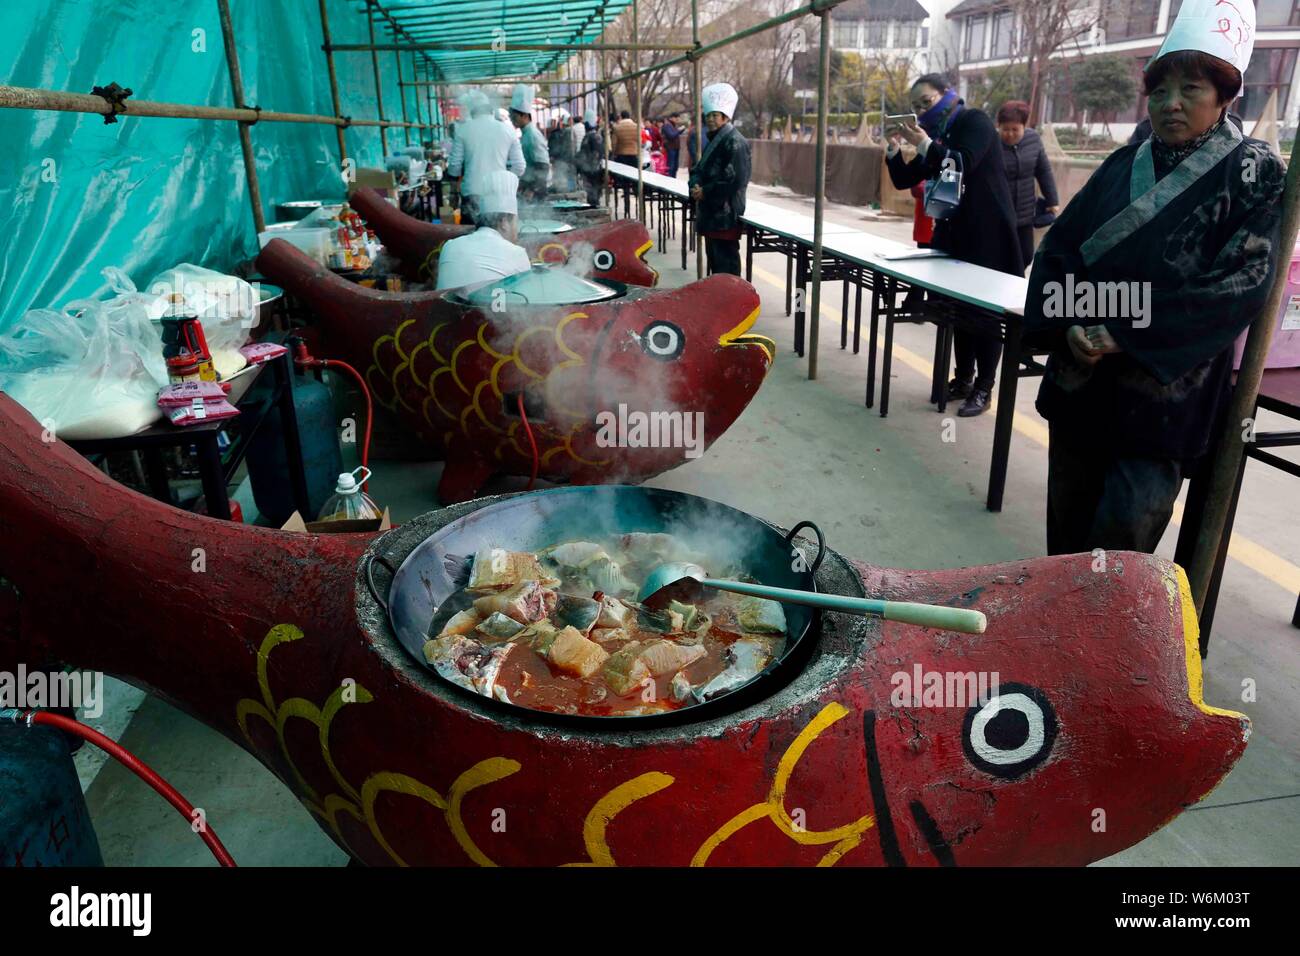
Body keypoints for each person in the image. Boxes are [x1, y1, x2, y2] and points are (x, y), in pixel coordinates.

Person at [1024, 0, 1283, 556]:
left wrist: (1127, 331)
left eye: (1190, 90)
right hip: (1083, 386)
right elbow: (1058, 254)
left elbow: (1244, 281)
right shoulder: (1123, 165)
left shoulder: (1254, 173)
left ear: (1226, 95)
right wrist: (1069, 322)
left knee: (1122, 546)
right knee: (1065, 541)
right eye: (1160, 91)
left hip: (1163, 400)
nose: (1171, 105)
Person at [886, 73, 1023, 417]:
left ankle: (984, 387)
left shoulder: (973, 122)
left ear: (947, 95)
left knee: (987, 315)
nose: (920, 109)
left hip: (988, 236)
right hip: (954, 235)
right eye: (915, 105)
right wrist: (892, 153)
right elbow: (907, 179)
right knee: (959, 311)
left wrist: (925, 145)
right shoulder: (938, 135)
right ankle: (963, 379)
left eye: (926, 101)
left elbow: (960, 163)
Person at [688, 83, 751, 277]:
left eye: (715, 115)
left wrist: (705, 191)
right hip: (713, 214)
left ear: (725, 117)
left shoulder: (735, 142)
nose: (711, 120)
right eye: (708, 116)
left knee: (726, 263)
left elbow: (735, 180)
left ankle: (731, 303)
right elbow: (698, 169)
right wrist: (695, 185)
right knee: (716, 261)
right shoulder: (715, 140)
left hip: (726, 214)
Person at [435, 170, 532, 290]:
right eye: (516, 222)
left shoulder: (449, 246)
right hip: (491, 309)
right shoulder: (517, 254)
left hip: (443, 309)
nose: (517, 229)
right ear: (504, 223)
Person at [996, 100, 1060, 268]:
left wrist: (1052, 200)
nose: (1009, 134)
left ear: (1024, 126)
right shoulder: (992, 143)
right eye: (1005, 129)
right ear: (999, 126)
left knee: (1025, 256)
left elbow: (1043, 171)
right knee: (1000, 257)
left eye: (1015, 129)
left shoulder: (1033, 140)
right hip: (999, 214)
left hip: (1025, 212)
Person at [447, 90, 525, 224]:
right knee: (497, 236)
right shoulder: (507, 130)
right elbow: (520, 167)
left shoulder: (463, 130)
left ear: (472, 111)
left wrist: (454, 189)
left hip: (472, 192)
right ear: (490, 109)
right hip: (498, 195)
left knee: (472, 237)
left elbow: (454, 167)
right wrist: (503, 180)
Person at [510, 84, 550, 201]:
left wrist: (532, 190)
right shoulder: (525, 134)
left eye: (514, 116)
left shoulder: (533, 135)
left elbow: (543, 166)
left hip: (536, 193)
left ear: (524, 116)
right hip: (528, 188)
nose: (512, 119)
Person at [576, 109, 605, 206]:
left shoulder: (595, 137)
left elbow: (597, 155)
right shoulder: (589, 136)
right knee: (591, 194)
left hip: (593, 172)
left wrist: (588, 168)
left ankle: (595, 208)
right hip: (588, 171)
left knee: (594, 195)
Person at [548, 113, 576, 192]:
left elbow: (555, 148)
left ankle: (563, 189)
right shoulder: (568, 132)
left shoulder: (565, 132)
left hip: (562, 160)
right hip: (565, 160)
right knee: (564, 177)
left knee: (562, 177)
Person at [661, 114, 682, 178]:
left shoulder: (673, 125)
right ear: (672, 118)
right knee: (671, 166)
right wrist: (679, 130)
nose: (678, 120)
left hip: (675, 148)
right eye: (677, 118)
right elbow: (671, 135)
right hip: (670, 148)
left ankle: (673, 179)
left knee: (675, 166)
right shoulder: (667, 125)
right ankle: (670, 180)